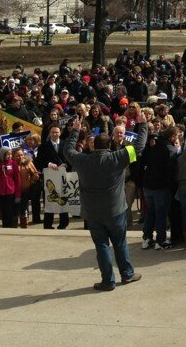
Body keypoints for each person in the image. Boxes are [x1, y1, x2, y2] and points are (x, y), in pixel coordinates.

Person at [63, 115, 148, 291]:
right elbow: (139, 146)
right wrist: (143, 125)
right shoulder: (117, 157)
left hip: (93, 213)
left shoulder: (82, 160)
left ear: (93, 146)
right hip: (115, 210)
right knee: (120, 243)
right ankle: (127, 274)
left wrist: (75, 131)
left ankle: (108, 281)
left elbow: (68, 151)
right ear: (109, 145)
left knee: (101, 247)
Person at [35, 124, 72, 230]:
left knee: (63, 199)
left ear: (60, 132)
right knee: (49, 199)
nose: (54, 134)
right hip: (49, 178)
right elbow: (38, 162)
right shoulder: (43, 146)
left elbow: (70, 159)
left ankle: (63, 223)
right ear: (49, 133)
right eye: (52, 132)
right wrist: (49, 164)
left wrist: (65, 164)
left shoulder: (65, 145)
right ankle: (48, 224)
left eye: (56, 132)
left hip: (63, 177)